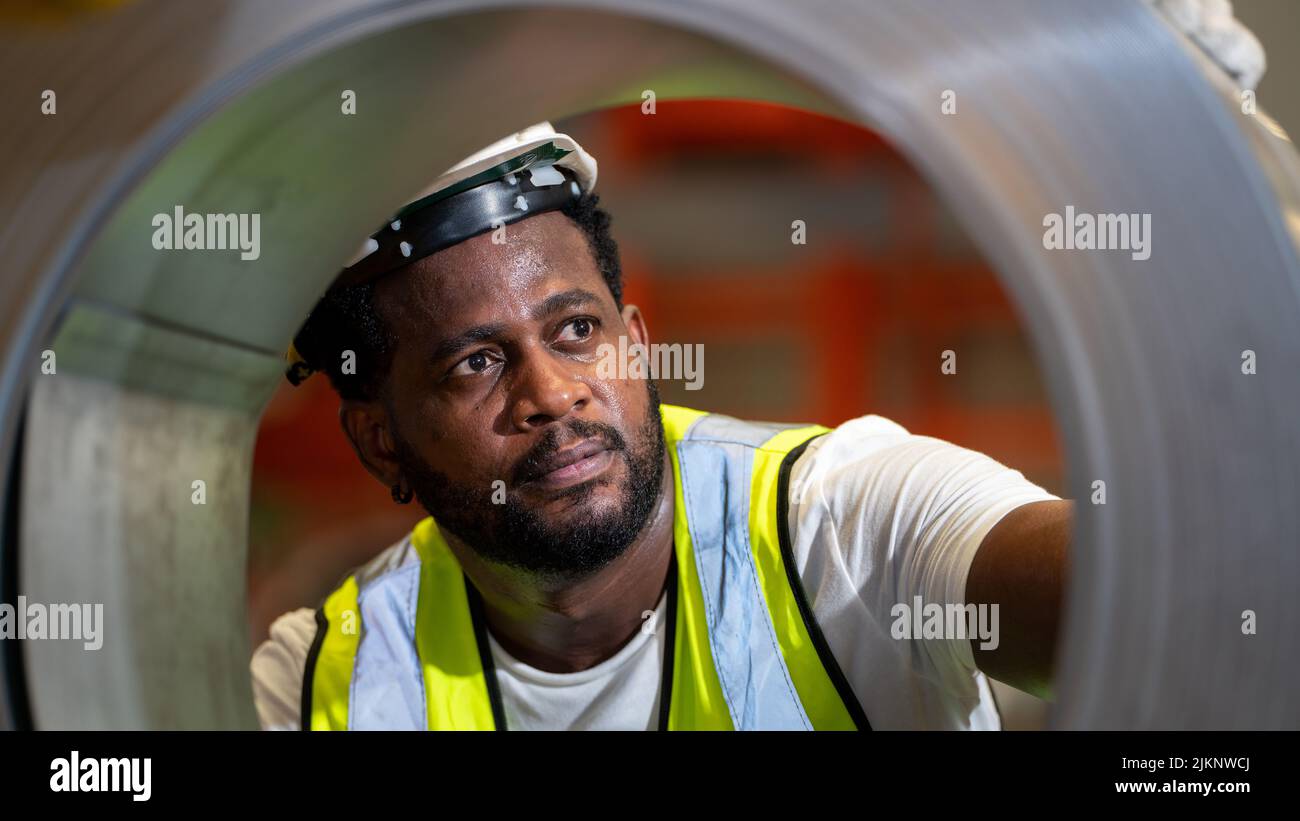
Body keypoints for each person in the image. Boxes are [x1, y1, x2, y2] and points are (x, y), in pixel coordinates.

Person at [251, 121, 1072, 730]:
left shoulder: (847, 525)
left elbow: (1144, 597)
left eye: (577, 330)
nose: (555, 392)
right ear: (380, 441)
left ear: (636, 344)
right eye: (475, 363)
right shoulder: (325, 682)